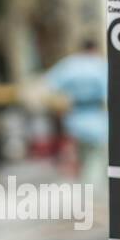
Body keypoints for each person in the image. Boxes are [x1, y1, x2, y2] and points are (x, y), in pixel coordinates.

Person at [44, 39, 108, 192]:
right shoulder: (99, 65)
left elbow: (49, 86)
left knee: (82, 157)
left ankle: (85, 188)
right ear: (94, 49)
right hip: (96, 117)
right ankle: (92, 190)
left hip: (75, 117)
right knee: (96, 157)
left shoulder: (69, 65)